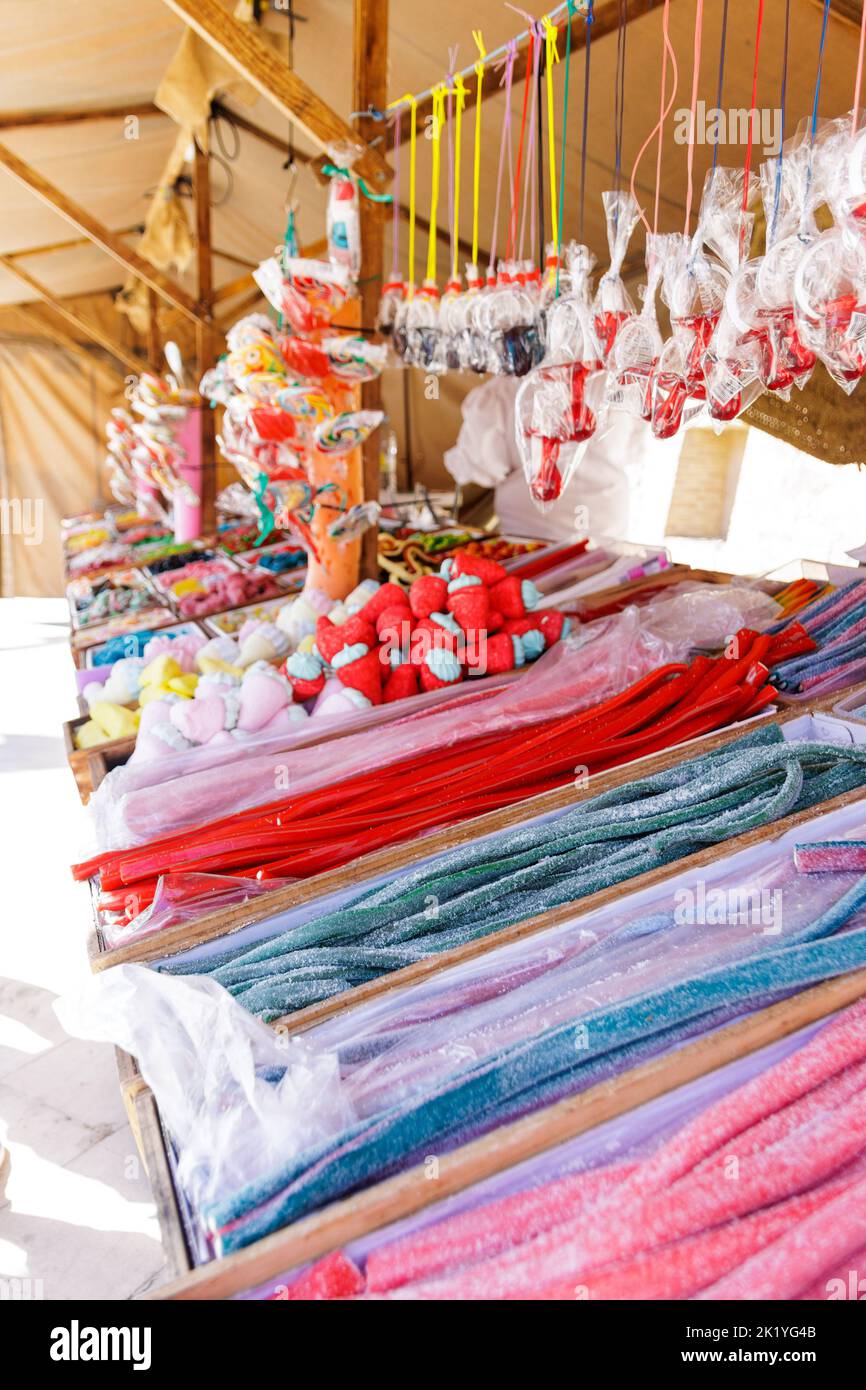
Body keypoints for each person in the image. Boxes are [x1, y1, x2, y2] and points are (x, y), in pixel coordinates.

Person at [443, 374, 652, 542]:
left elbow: (478, 467)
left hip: (528, 537)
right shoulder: (620, 381)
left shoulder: (505, 390)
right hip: (603, 528)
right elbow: (634, 452)